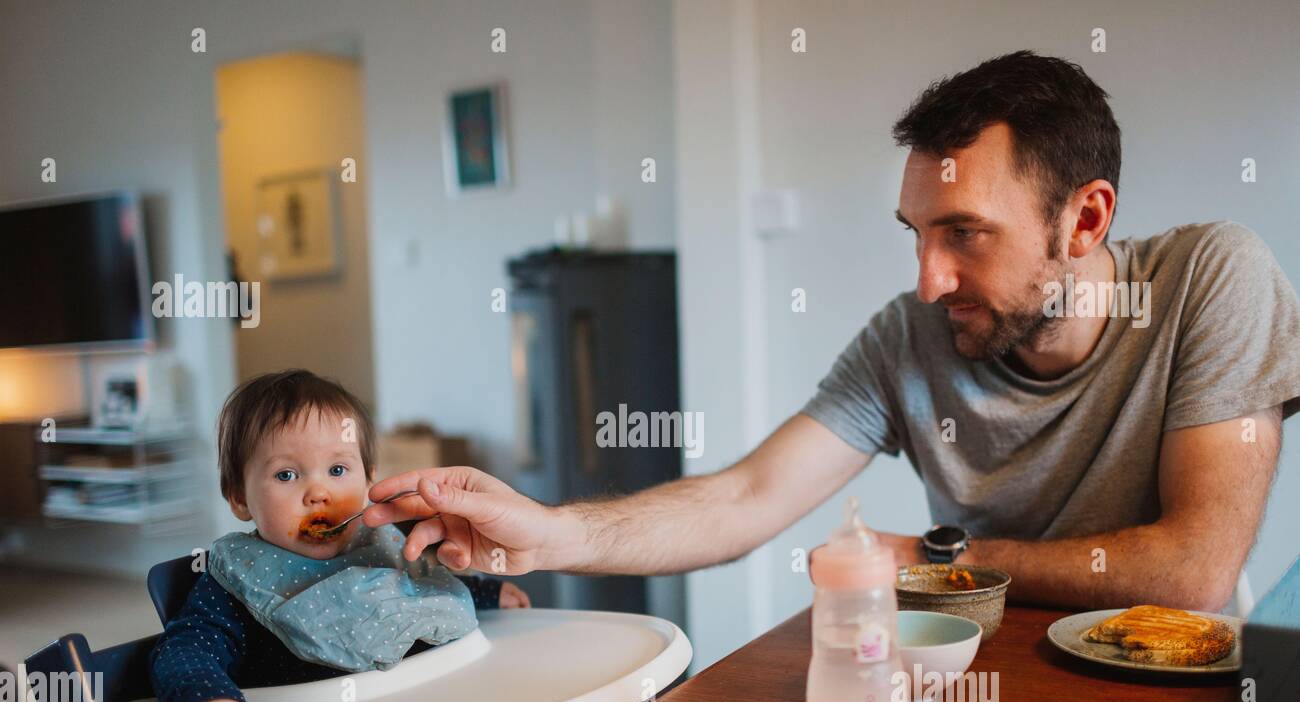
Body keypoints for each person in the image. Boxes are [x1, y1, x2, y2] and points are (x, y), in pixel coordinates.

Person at [365, 51, 1299, 614]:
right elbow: (743, 498)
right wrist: (547, 534)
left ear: (1086, 220)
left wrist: (933, 561)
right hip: (975, 679)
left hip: (1175, 698)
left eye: (965, 233)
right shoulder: (911, 337)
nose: (928, 282)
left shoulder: (1213, 279)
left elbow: (1192, 571)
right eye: (919, 235)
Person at [150, 369, 531, 702]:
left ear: (370, 480)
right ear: (240, 497)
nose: (318, 493)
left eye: (338, 470)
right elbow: (186, 646)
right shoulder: (240, 580)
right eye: (286, 475)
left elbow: (420, 585)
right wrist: (206, 696)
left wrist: (483, 590)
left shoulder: (383, 545)